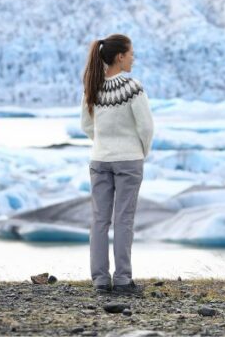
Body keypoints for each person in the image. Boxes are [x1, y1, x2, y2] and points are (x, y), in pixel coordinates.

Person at [80, 33, 154, 295]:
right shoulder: (132, 87)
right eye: (131, 53)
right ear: (120, 56)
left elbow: (87, 125)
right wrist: (140, 151)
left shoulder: (93, 86)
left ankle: (100, 281)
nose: (133, 57)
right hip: (128, 160)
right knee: (123, 219)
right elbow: (146, 126)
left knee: (99, 220)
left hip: (99, 159)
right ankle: (122, 280)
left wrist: (103, 144)